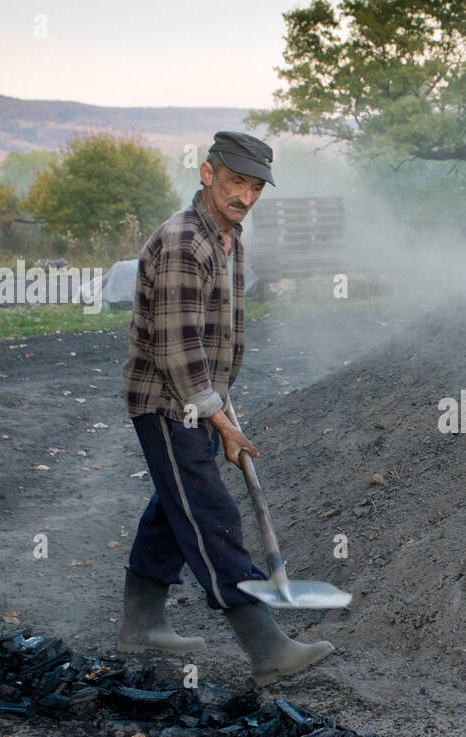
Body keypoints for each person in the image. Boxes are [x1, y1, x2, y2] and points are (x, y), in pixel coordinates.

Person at [118, 130, 334, 686]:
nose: (247, 195)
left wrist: (221, 403)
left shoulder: (227, 238)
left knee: (175, 506)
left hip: (200, 400)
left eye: (256, 185)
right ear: (206, 174)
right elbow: (176, 347)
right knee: (211, 515)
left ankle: (140, 623)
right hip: (171, 405)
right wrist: (218, 419)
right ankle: (265, 647)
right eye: (237, 181)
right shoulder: (184, 243)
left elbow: (214, 336)